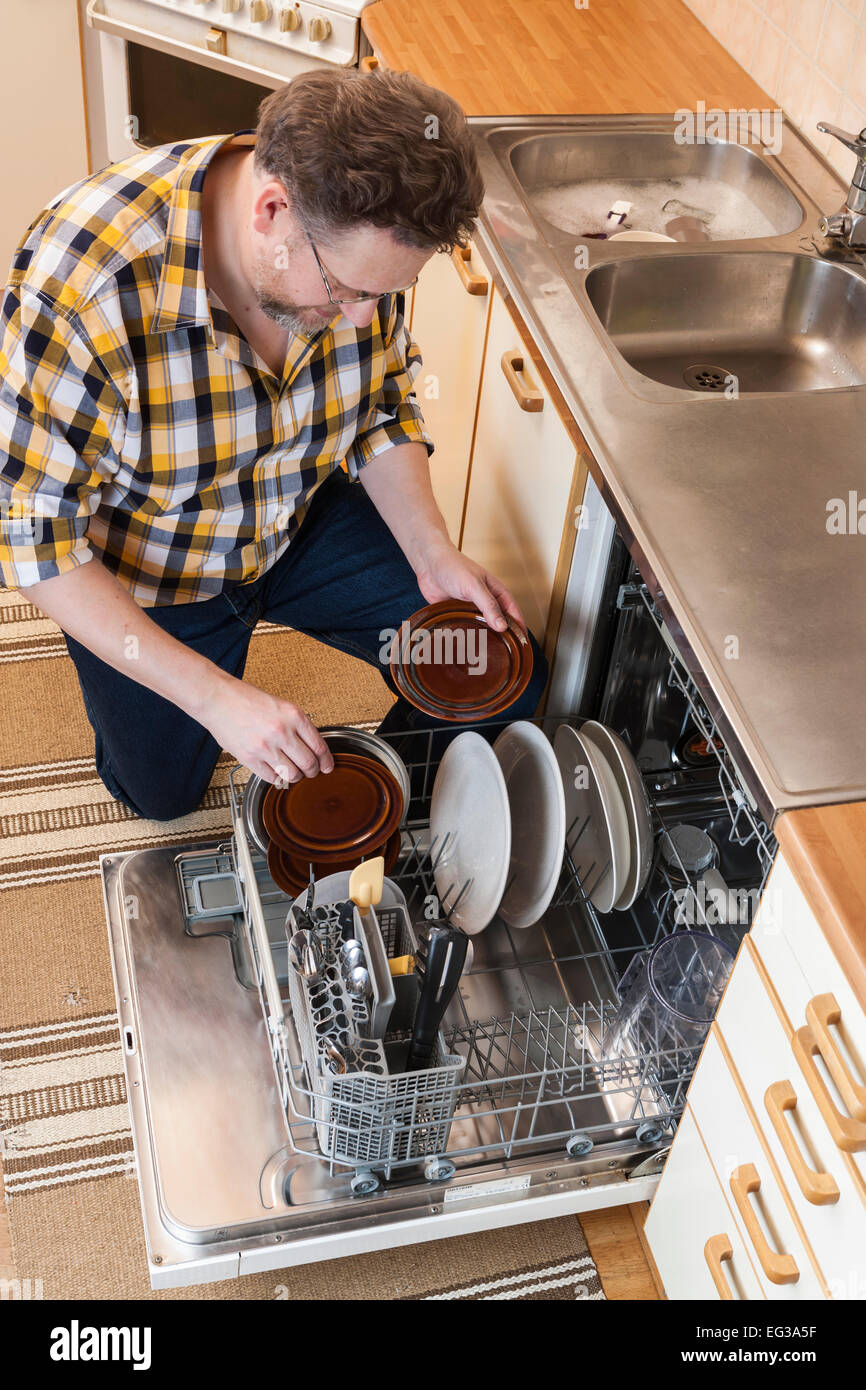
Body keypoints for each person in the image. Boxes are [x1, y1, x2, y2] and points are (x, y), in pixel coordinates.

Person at [0, 67, 547, 822]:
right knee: (161, 797)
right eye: (348, 293)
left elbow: (382, 405)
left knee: (500, 675)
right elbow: (36, 545)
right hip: (157, 567)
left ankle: (382, 793)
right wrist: (219, 699)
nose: (363, 320)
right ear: (271, 211)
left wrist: (432, 554)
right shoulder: (84, 285)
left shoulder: (355, 250)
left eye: (382, 297)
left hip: (297, 515)